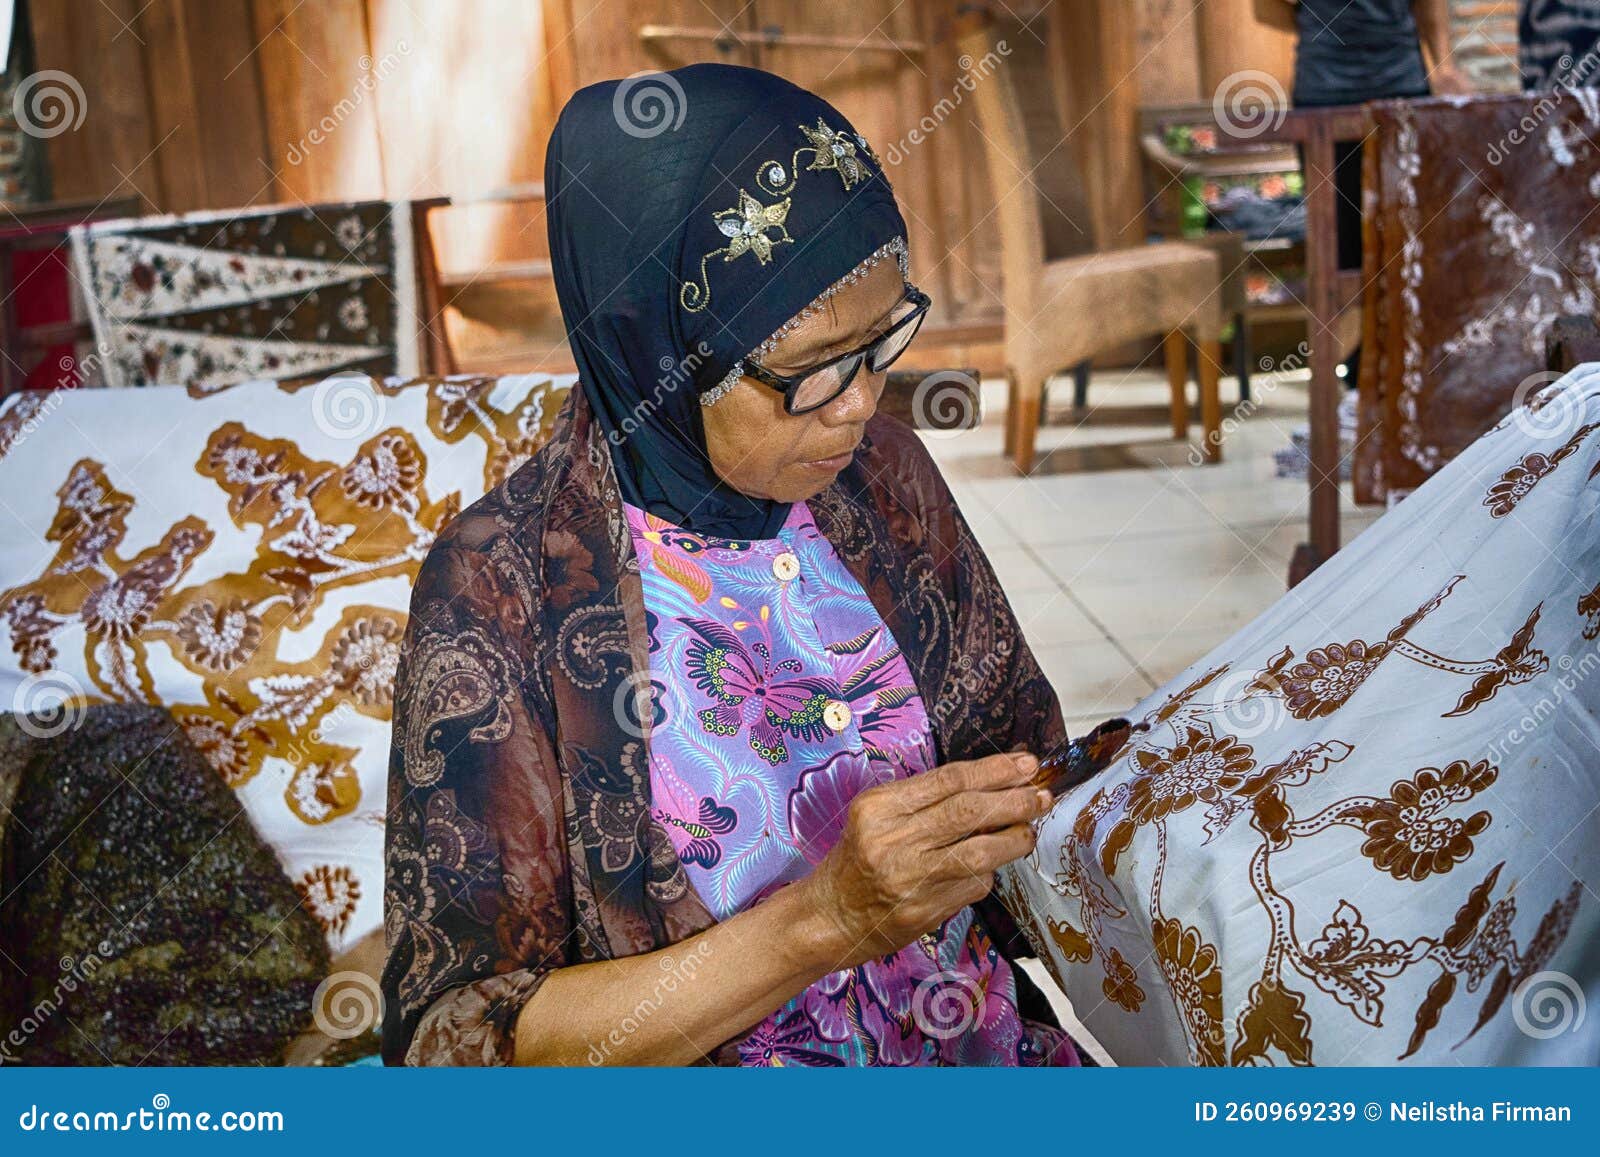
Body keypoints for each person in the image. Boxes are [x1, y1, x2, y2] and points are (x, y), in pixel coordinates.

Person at [381, 64, 1082, 1067]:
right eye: (810, 370)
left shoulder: (880, 479)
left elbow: (1026, 766)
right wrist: (820, 922)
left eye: (883, 340)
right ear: (651, 345)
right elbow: (452, 1047)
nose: (860, 404)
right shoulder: (500, 589)